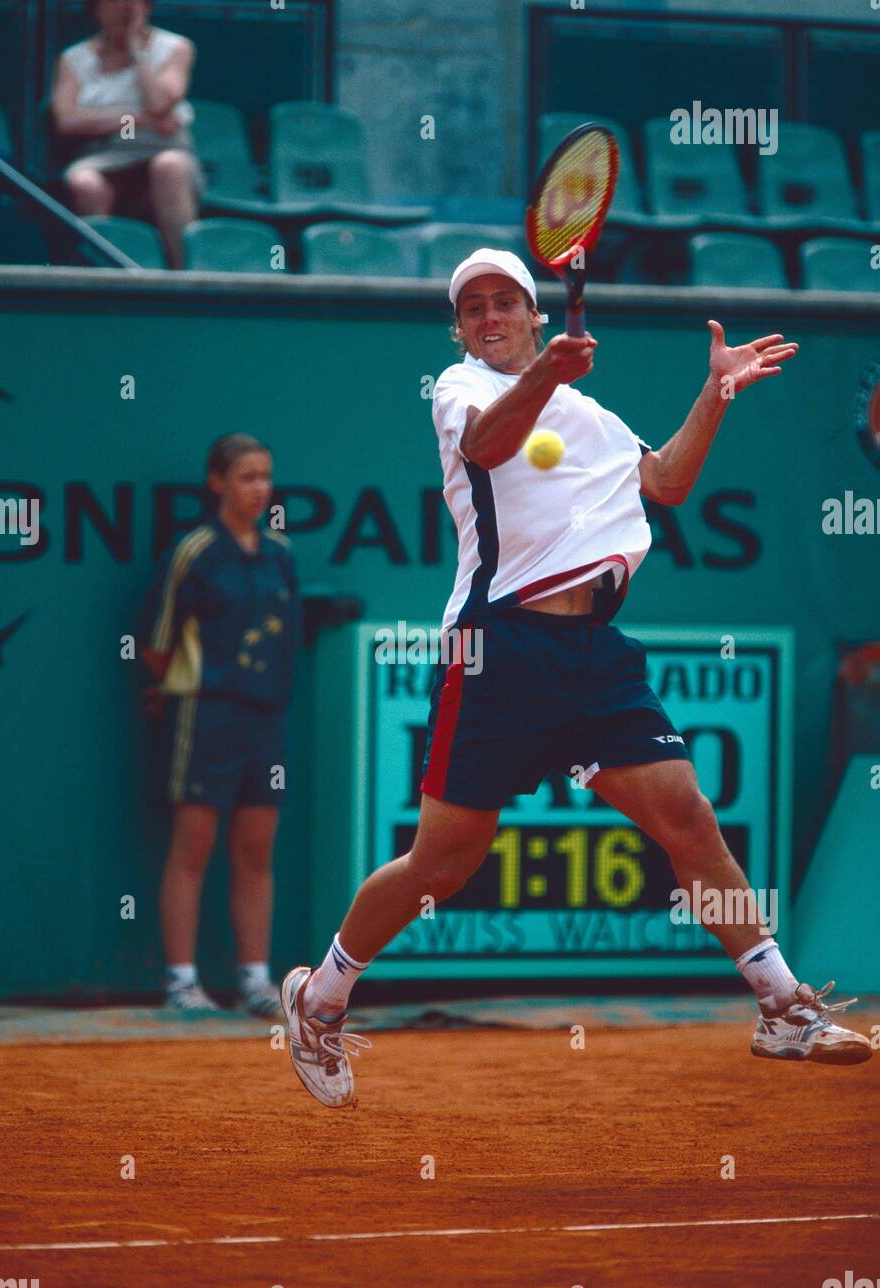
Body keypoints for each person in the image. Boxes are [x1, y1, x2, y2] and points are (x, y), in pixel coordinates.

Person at [281, 247, 872, 1109]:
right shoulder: (460, 390)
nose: (489, 317)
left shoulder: (591, 414)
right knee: (440, 867)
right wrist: (545, 379)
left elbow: (666, 480)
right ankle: (321, 998)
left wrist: (717, 392)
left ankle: (783, 1006)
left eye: (504, 302)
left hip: (596, 654)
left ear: (535, 315)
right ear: (461, 329)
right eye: (473, 307)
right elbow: (488, 447)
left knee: (688, 816)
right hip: (499, 653)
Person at [140, 434, 301, 1018]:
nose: (260, 489)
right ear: (217, 483)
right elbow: (156, 646)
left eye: (266, 477)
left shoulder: (282, 554)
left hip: (266, 722)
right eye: (246, 477)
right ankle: (182, 982)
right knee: (193, 848)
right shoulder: (195, 553)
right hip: (204, 715)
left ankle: (255, 982)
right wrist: (183, 685)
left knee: (256, 853)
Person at [51, 0, 202, 268]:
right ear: (96, 9)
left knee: (170, 167)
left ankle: (182, 277)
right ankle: (103, 276)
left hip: (162, 148)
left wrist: (138, 53)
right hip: (102, 155)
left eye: (135, 2)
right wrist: (136, 120)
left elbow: (159, 104)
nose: (125, 8)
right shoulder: (73, 59)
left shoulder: (177, 47)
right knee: (84, 183)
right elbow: (66, 121)